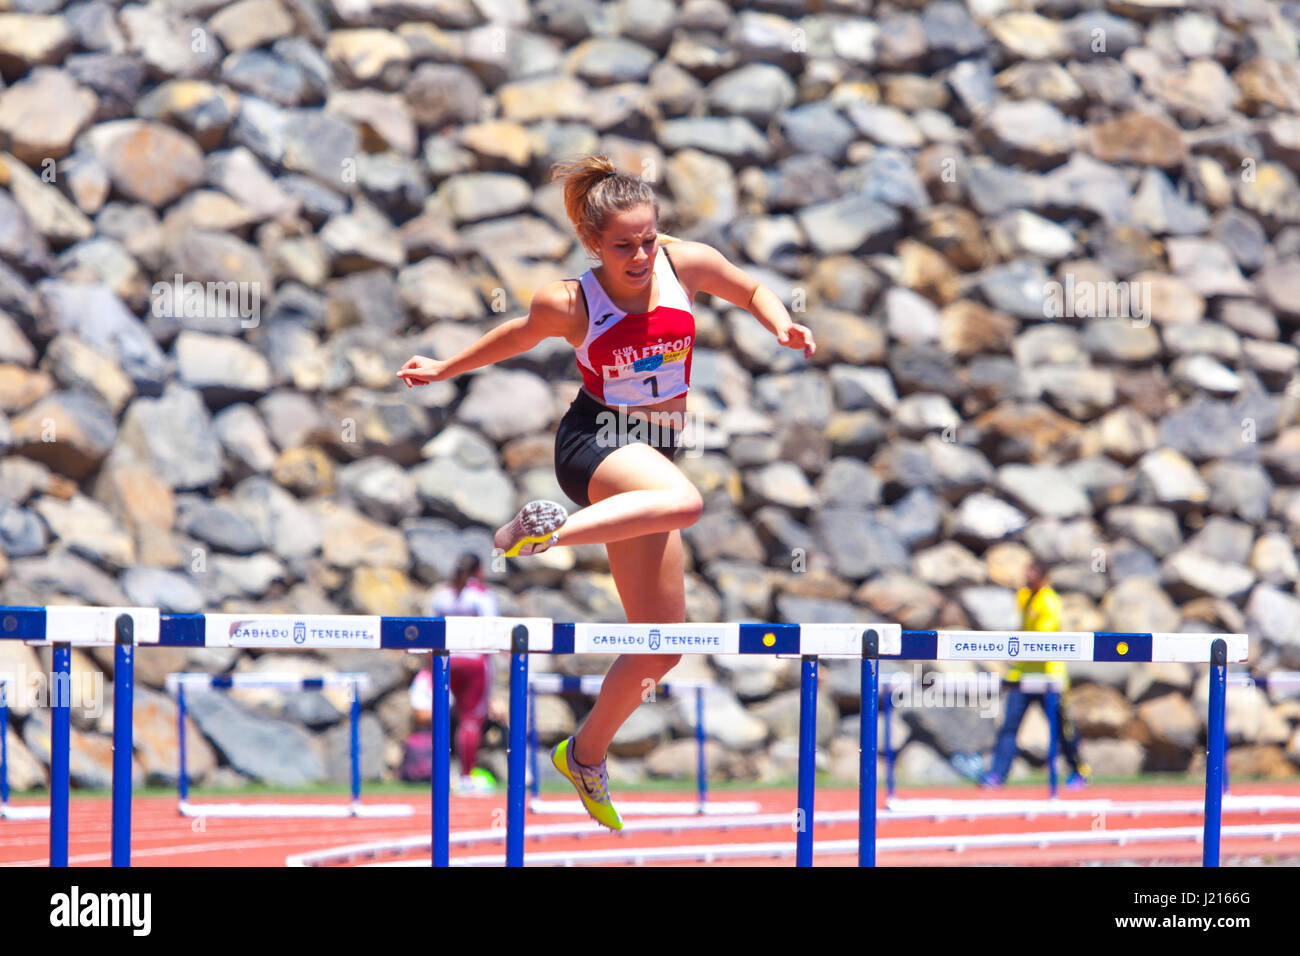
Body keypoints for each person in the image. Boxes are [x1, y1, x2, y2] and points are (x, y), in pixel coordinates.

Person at [397, 154, 815, 829]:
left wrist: (780, 324)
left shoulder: (688, 265)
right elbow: (515, 337)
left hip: (655, 455)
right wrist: (445, 366)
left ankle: (583, 754)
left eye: (649, 239)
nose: (642, 256)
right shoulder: (571, 300)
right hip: (596, 441)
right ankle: (544, 532)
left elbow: (750, 289)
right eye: (624, 245)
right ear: (593, 242)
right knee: (686, 502)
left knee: (661, 642)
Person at [983, 563, 1090, 789]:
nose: (1028, 576)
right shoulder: (1022, 597)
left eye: (1033, 572)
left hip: (1049, 676)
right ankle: (997, 775)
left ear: (1044, 577)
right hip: (1022, 675)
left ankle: (1078, 770)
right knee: (1009, 727)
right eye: (1027, 572)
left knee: (1061, 727)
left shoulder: (1050, 601)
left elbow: (1041, 639)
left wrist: (1016, 644)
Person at [407, 553, 505, 794]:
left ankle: (440, 776)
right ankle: (465, 776)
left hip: (446, 661)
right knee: (471, 720)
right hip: (474, 662)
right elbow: (494, 632)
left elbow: (431, 631)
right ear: (479, 571)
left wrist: (430, 666)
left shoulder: (442, 595)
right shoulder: (481, 596)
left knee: (442, 716)